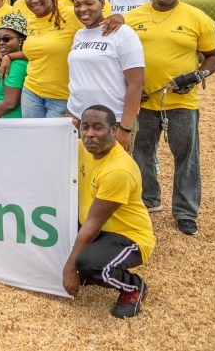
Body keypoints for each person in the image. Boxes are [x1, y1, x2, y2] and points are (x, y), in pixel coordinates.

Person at [127, 0, 215, 235]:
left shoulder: (197, 18)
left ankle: (185, 212)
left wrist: (196, 76)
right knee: (140, 152)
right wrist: (131, 86)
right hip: (142, 100)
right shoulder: (132, 18)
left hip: (181, 102)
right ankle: (148, 200)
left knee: (186, 156)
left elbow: (214, 55)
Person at [63, 105, 154, 319]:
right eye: (85, 127)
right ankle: (87, 268)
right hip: (98, 228)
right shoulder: (84, 148)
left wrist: (70, 268)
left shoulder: (118, 170)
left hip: (129, 236)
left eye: (97, 127)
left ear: (114, 129)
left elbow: (93, 223)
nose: (89, 134)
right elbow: (47, 147)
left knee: (90, 264)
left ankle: (133, 288)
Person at [67, 0, 144, 152]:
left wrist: (125, 128)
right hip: (82, 121)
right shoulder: (79, 36)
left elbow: (136, 83)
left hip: (112, 121)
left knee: (114, 175)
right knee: (83, 174)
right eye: (77, 4)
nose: (82, 9)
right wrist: (72, 111)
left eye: (89, 3)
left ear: (102, 3)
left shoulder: (123, 33)